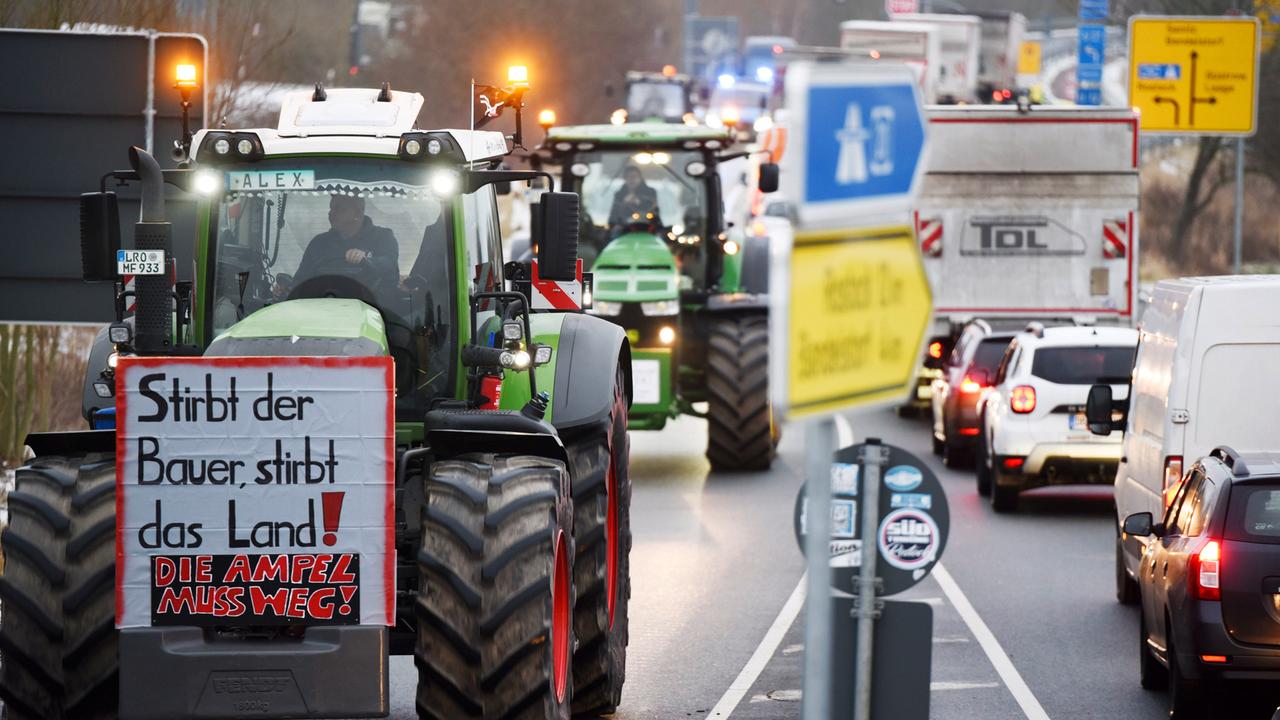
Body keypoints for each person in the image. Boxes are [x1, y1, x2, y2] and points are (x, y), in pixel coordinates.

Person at [294, 194, 400, 289]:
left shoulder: (382, 237)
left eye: (339, 209)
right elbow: (300, 280)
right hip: (321, 305)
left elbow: (390, 266)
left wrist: (367, 260)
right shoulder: (318, 243)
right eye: (331, 208)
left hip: (371, 307)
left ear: (358, 214)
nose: (331, 213)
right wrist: (285, 288)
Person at [608, 165, 661, 231]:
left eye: (634, 176)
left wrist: (639, 202)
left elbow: (654, 209)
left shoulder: (650, 192)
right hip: (624, 227)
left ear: (640, 178)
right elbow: (613, 215)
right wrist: (623, 204)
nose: (631, 179)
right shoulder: (619, 195)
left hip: (648, 226)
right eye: (628, 177)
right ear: (625, 179)